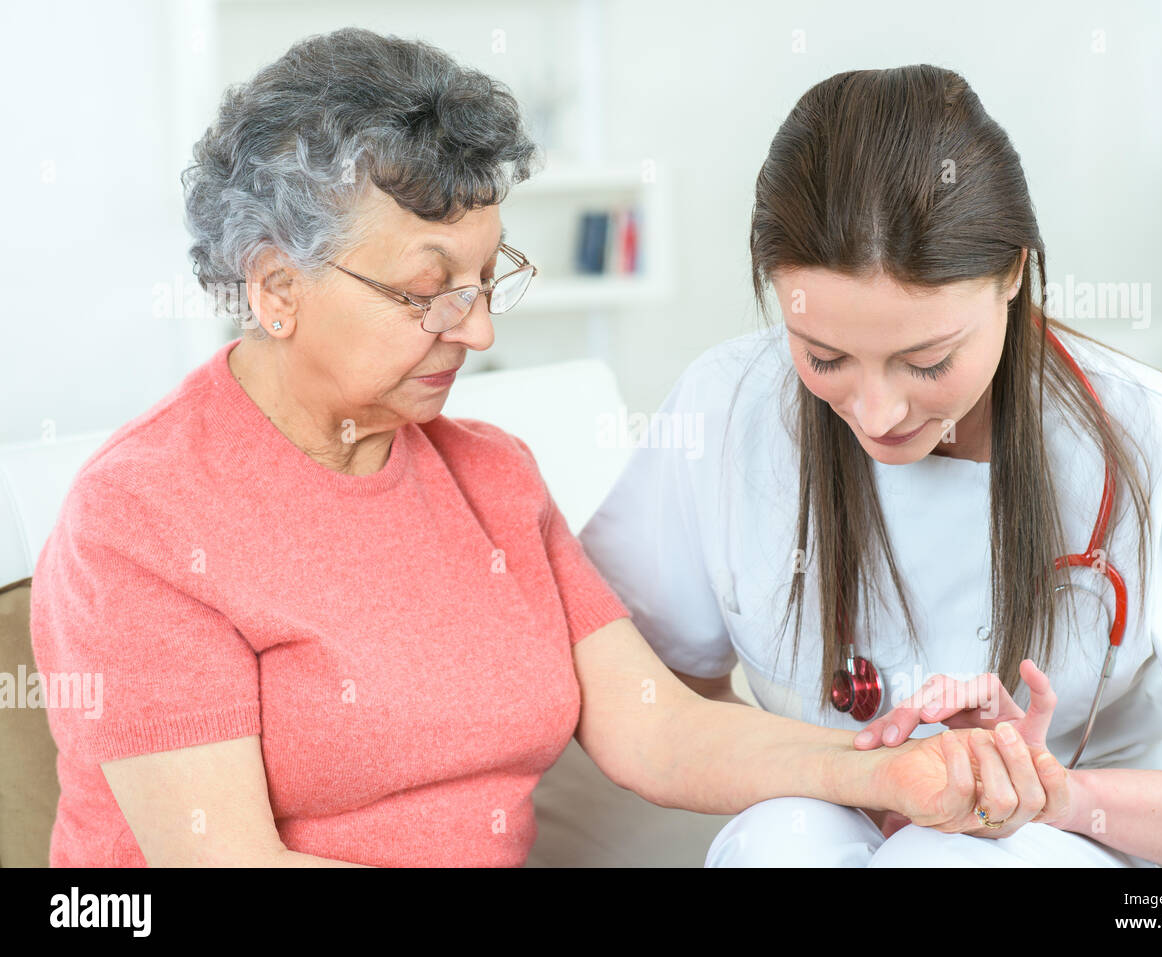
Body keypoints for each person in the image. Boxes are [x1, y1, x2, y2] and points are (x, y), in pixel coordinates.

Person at [28, 31, 1029, 869]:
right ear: (275, 286)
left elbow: (656, 728)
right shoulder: (146, 520)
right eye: (427, 294)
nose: (476, 332)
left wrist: (876, 771)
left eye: (485, 279)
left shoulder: (488, 474)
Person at [578, 65, 1162, 867]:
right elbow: (639, 691)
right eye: (825, 357)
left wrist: (1060, 795)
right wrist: (870, 776)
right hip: (830, 826)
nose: (878, 413)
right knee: (781, 841)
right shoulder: (725, 411)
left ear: (1015, 272)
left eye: (927, 361)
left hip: (1090, 845)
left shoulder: (1155, 442)